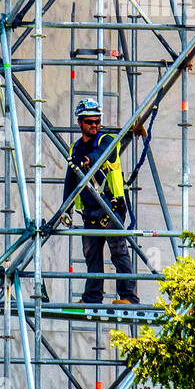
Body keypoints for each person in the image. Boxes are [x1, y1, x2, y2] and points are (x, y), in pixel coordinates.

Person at [60, 98, 140, 306]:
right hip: (89, 210)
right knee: (91, 255)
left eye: (97, 121)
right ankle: (92, 298)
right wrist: (65, 209)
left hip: (111, 207)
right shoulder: (75, 149)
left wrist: (90, 160)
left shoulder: (107, 140)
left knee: (118, 251)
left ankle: (128, 297)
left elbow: (103, 154)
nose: (94, 125)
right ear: (80, 122)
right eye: (89, 122)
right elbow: (70, 181)